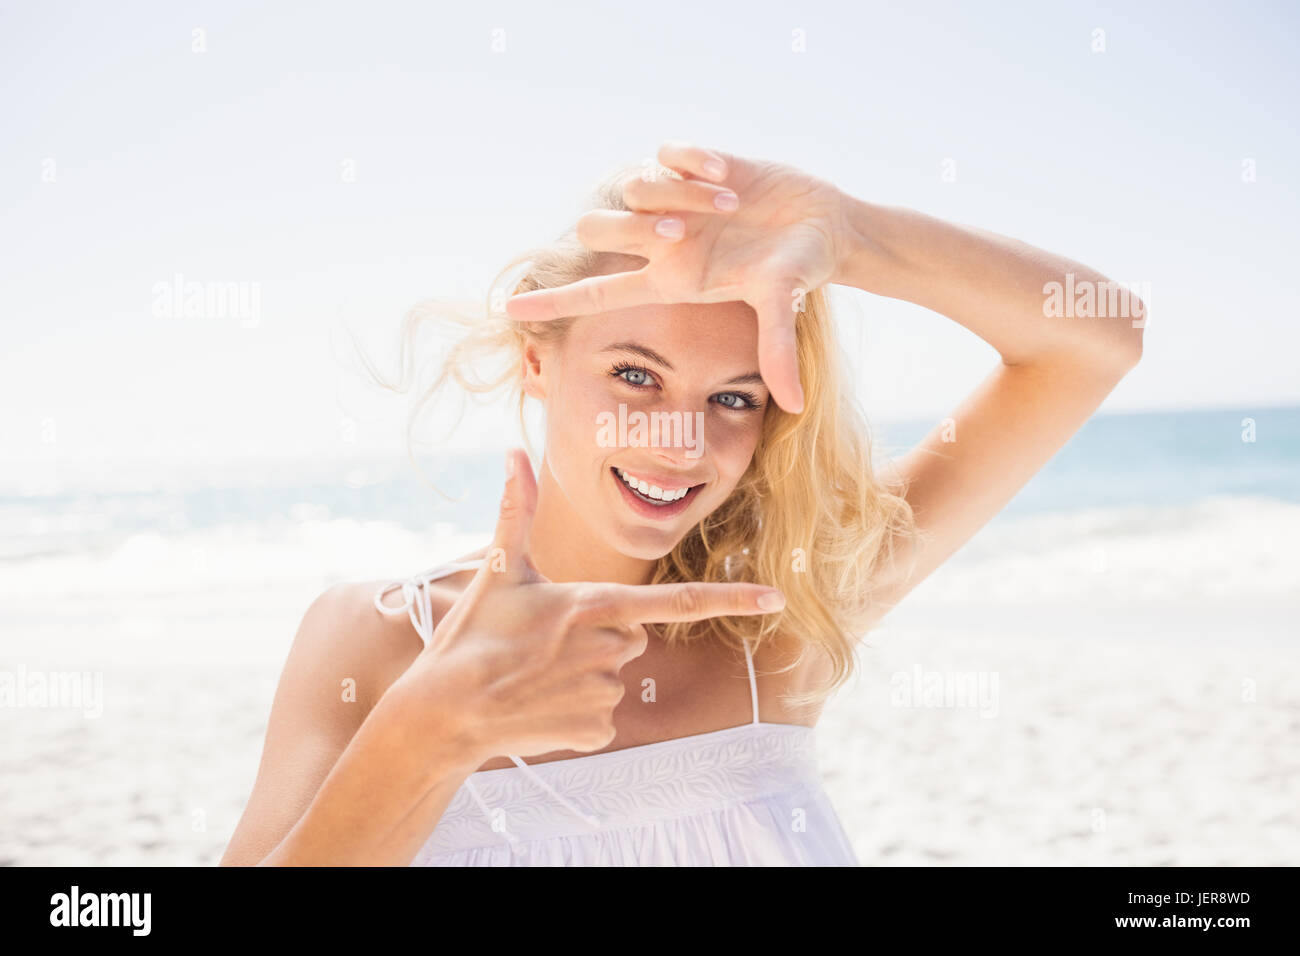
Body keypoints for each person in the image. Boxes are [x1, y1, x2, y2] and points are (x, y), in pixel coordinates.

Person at [220, 141, 1144, 866]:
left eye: (733, 397)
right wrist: (431, 731)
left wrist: (853, 234)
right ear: (537, 358)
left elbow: (1093, 343)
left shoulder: (778, 632)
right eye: (635, 376)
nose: (683, 440)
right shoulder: (377, 641)